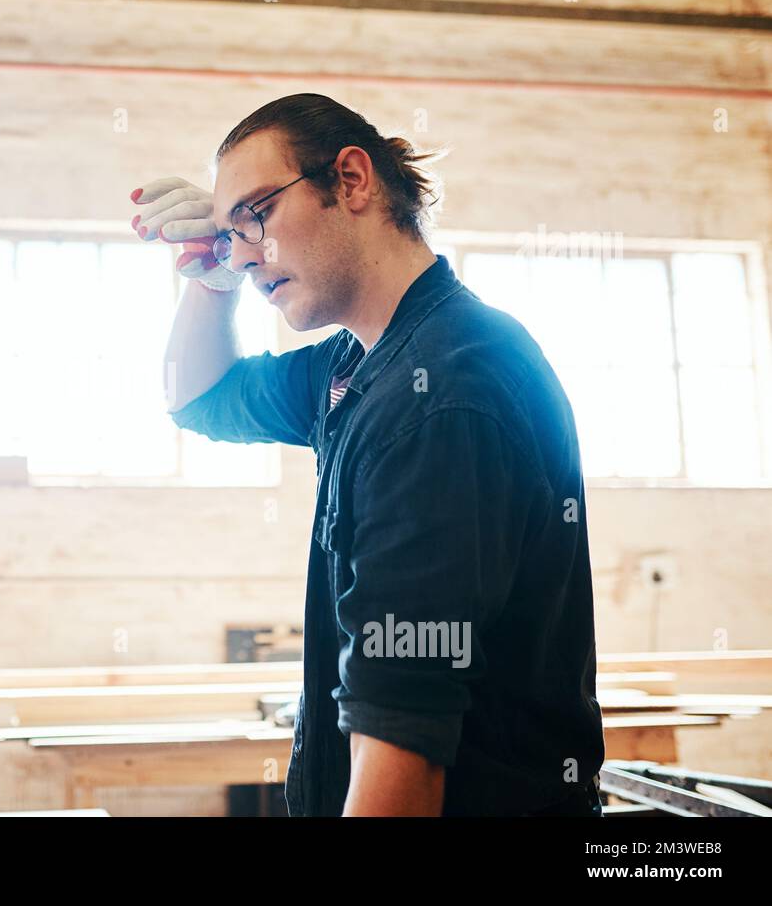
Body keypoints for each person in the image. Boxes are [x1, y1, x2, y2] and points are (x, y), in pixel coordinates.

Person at [131, 93, 604, 816]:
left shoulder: (441, 394)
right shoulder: (358, 367)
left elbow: (403, 750)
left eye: (256, 214)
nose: (249, 256)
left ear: (352, 180)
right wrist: (210, 276)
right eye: (232, 239)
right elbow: (197, 396)